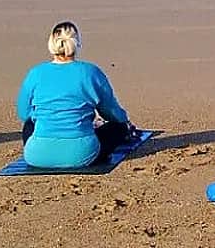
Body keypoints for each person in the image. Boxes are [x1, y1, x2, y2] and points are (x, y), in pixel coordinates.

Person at [16, 21, 136, 169]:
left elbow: (24, 113)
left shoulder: (35, 73)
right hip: (81, 154)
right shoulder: (91, 72)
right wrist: (124, 122)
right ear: (76, 43)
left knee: (29, 124)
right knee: (119, 128)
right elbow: (111, 113)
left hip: (36, 155)